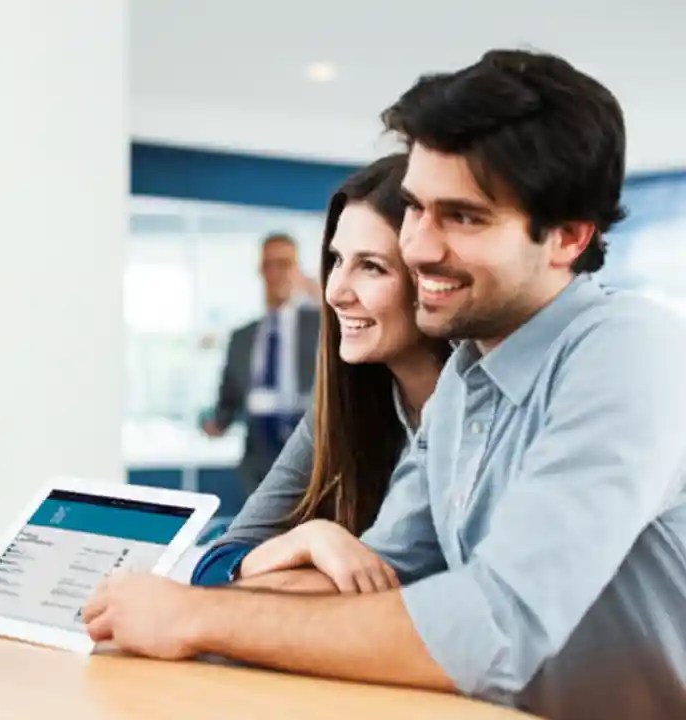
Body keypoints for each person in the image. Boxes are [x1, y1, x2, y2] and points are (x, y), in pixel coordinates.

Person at [82, 49, 686, 718]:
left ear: (569, 237)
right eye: (417, 210)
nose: (420, 246)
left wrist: (197, 618)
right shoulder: (465, 379)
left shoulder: (630, 347)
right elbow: (372, 585)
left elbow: (495, 624)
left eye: (462, 217)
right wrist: (142, 601)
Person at [192, 154, 450, 590]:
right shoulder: (340, 408)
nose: (335, 292)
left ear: (435, 280)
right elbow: (215, 567)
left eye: (371, 266)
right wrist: (307, 540)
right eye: (336, 260)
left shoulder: (480, 416)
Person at [201, 232, 320, 497]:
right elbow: (228, 402)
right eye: (270, 264)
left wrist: (319, 293)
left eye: (285, 264)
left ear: (299, 271)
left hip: (308, 444)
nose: (277, 273)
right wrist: (214, 423)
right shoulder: (242, 337)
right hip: (258, 453)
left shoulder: (321, 326)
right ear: (260, 270)